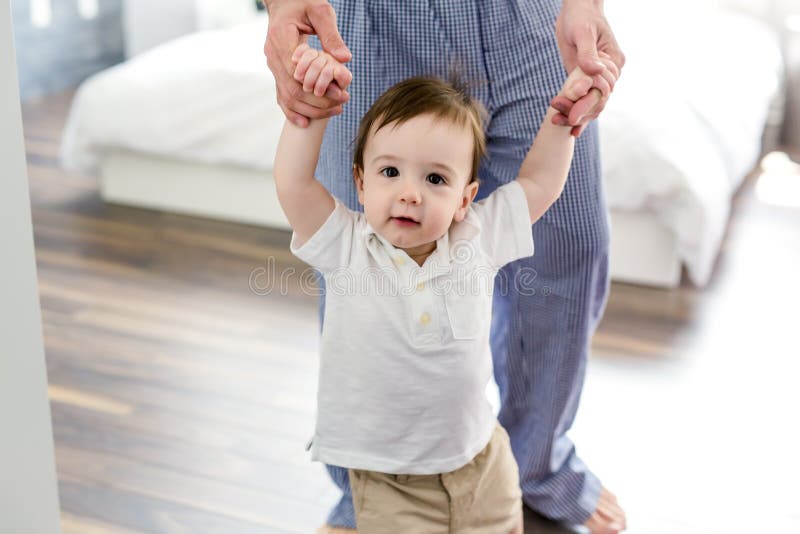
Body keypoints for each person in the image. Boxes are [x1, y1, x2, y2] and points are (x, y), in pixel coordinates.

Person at [263, 1, 627, 532]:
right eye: (390, 172)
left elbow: (541, 185)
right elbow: (295, 183)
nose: (410, 194)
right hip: (387, 478)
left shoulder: (476, 235)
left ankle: (539, 464)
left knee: (575, 246)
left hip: (480, 465)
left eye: (435, 180)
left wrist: (563, 121)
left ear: (466, 197)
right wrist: (311, 114)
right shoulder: (344, 244)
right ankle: (353, 500)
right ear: (360, 182)